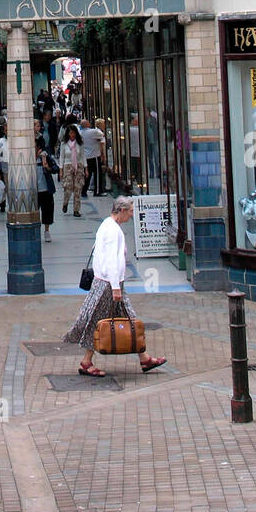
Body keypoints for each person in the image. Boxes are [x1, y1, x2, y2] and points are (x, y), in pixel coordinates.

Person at [63, 196, 166, 377]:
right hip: (108, 285)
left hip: (109, 282)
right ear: (122, 210)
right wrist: (115, 287)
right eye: (131, 211)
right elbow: (111, 259)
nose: (132, 215)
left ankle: (144, 358)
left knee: (127, 318)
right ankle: (87, 361)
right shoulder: (113, 231)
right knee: (98, 322)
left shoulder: (107, 225)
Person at [60, 123, 87, 217]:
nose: (72, 135)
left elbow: (83, 155)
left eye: (74, 133)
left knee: (78, 188)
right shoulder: (64, 144)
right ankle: (65, 202)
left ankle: (76, 209)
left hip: (78, 166)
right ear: (68, 134)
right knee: (68, 187)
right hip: (67, 166)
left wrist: (85, 168)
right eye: (71, 133)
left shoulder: (80, 143)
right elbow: (61, 157)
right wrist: (61, 170)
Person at [36, 137, 57, 243]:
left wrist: (47, 166)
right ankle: (35, 231)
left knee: (47, 211)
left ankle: (47, 231)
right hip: (33, 190)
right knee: (34, 211)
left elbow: (55, 168)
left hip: (46, 189)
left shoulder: (45, 156)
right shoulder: (27, 158)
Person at [80, 116, 106, 199]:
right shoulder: (92, 132)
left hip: (86, 156)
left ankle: (84, 191)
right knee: (97, 174)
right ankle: (98, 191)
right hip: (94, 155)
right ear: (87, 124)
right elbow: (102, 135)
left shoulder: (80, 133)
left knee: (87, 174)